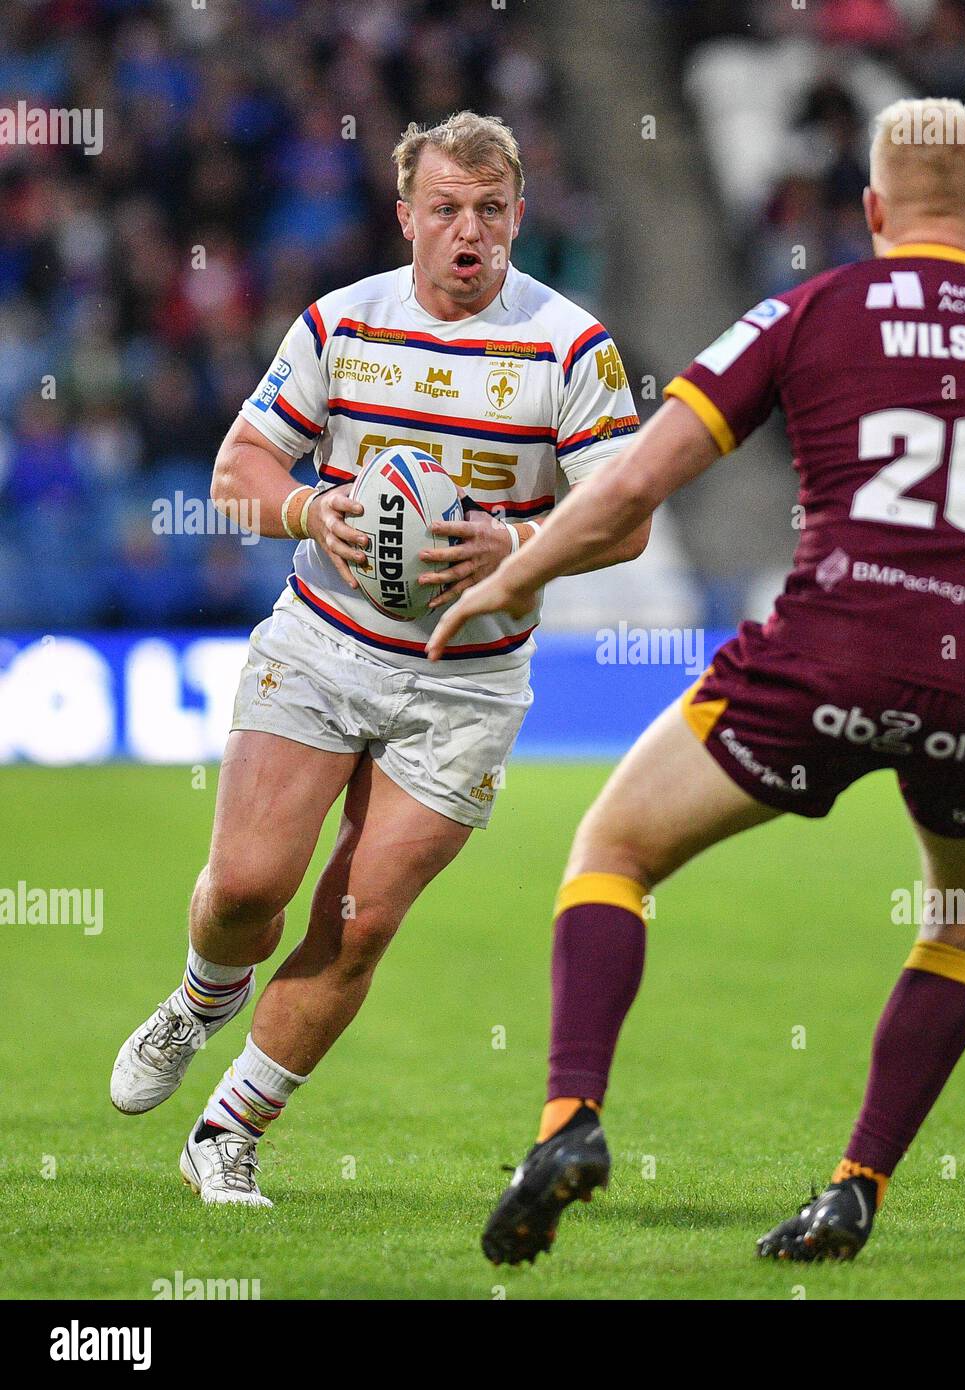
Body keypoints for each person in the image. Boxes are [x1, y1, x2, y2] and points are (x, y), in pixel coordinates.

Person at [428, 98, 965, 1263]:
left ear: (874, 210)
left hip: (822, 658)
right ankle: (854, 1187)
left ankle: (569, 1122)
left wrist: (513, 575)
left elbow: (634, 488)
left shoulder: (812, 308)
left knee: (612, 852)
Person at [110, 111, 647, 1206]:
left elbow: (624, 517)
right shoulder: (341, 325)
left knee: (360, 920)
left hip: (469, 679)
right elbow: (237, 469)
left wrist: (513, 542)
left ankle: (230, 1128)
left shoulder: (571, 347)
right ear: (406, 216)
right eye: (446, 208)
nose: (469, 231)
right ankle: (201, 997)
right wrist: (312, 509)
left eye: (491, 210)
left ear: (518, 218)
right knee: (245, 891)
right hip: (323, 641)